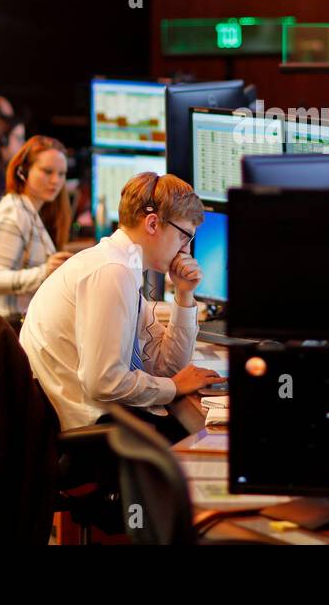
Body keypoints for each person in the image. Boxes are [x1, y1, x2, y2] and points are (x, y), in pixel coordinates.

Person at [20, 172, 222, 442]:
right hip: (87, 433)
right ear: (152, 224)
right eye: (184, 237)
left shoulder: (118, 264)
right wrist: (172, 387)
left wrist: (184, 295)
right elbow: (104, 381)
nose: (185, 251)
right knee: (202, 437)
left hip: (89, 420)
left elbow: (167, 366)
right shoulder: (111, 273)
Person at [0, 136, 74, 323]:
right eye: (47, 171)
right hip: (4, 327)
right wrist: (44, 272)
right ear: (22, 172)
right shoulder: (13, 215)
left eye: (61, 174)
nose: (55, 181)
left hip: (17, 321)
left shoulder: (28, 209)